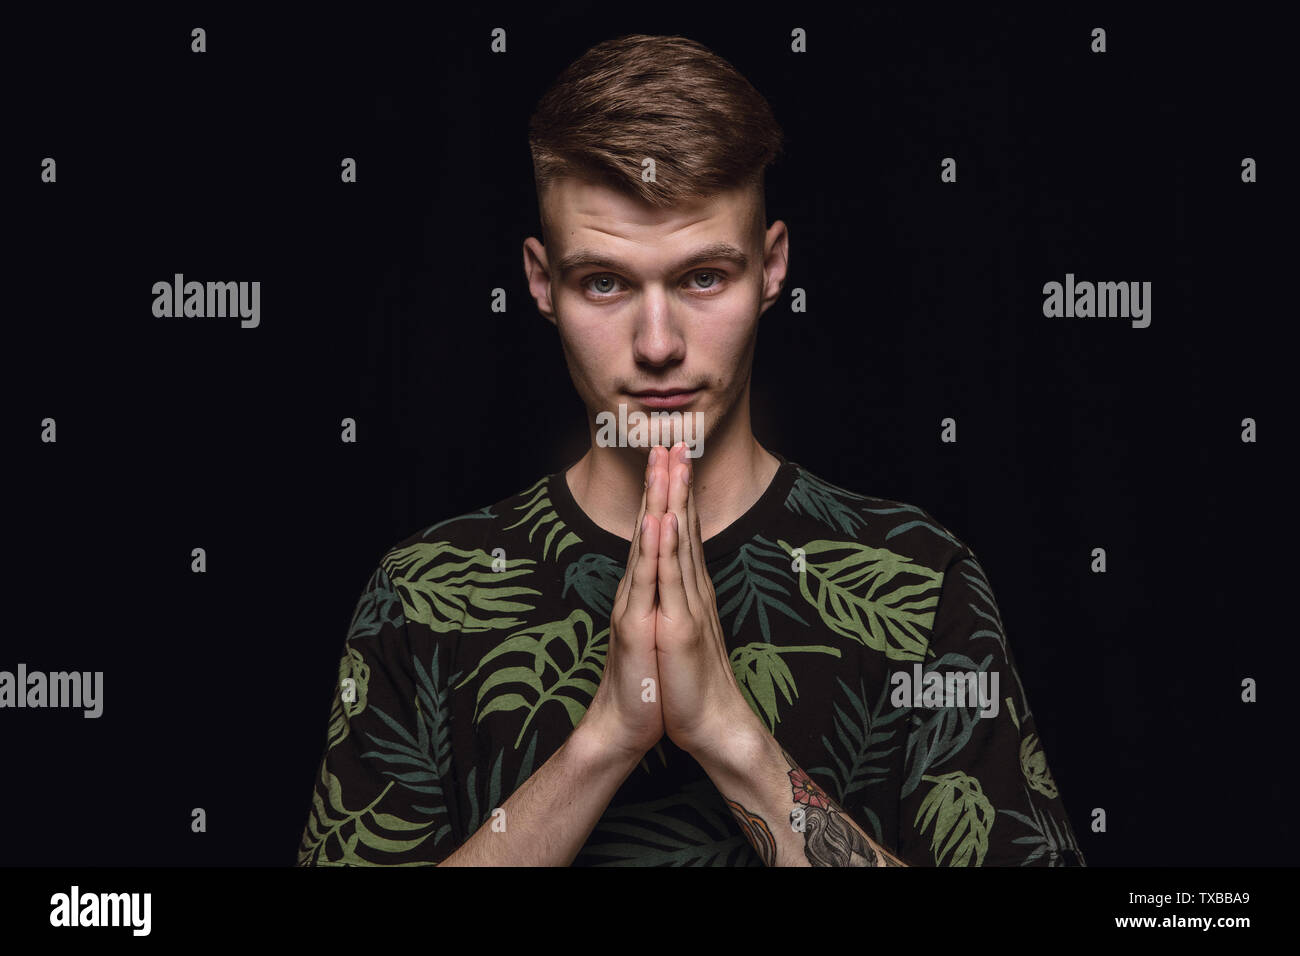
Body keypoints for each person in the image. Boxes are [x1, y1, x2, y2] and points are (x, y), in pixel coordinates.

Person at [297, 33, 1085, 867]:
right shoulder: (423, 597)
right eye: (604, 282)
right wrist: (606, 739)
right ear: (540, 283)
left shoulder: (922, 583)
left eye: (703, 277)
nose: (659, 343)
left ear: (773, 269)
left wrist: (729, 735)